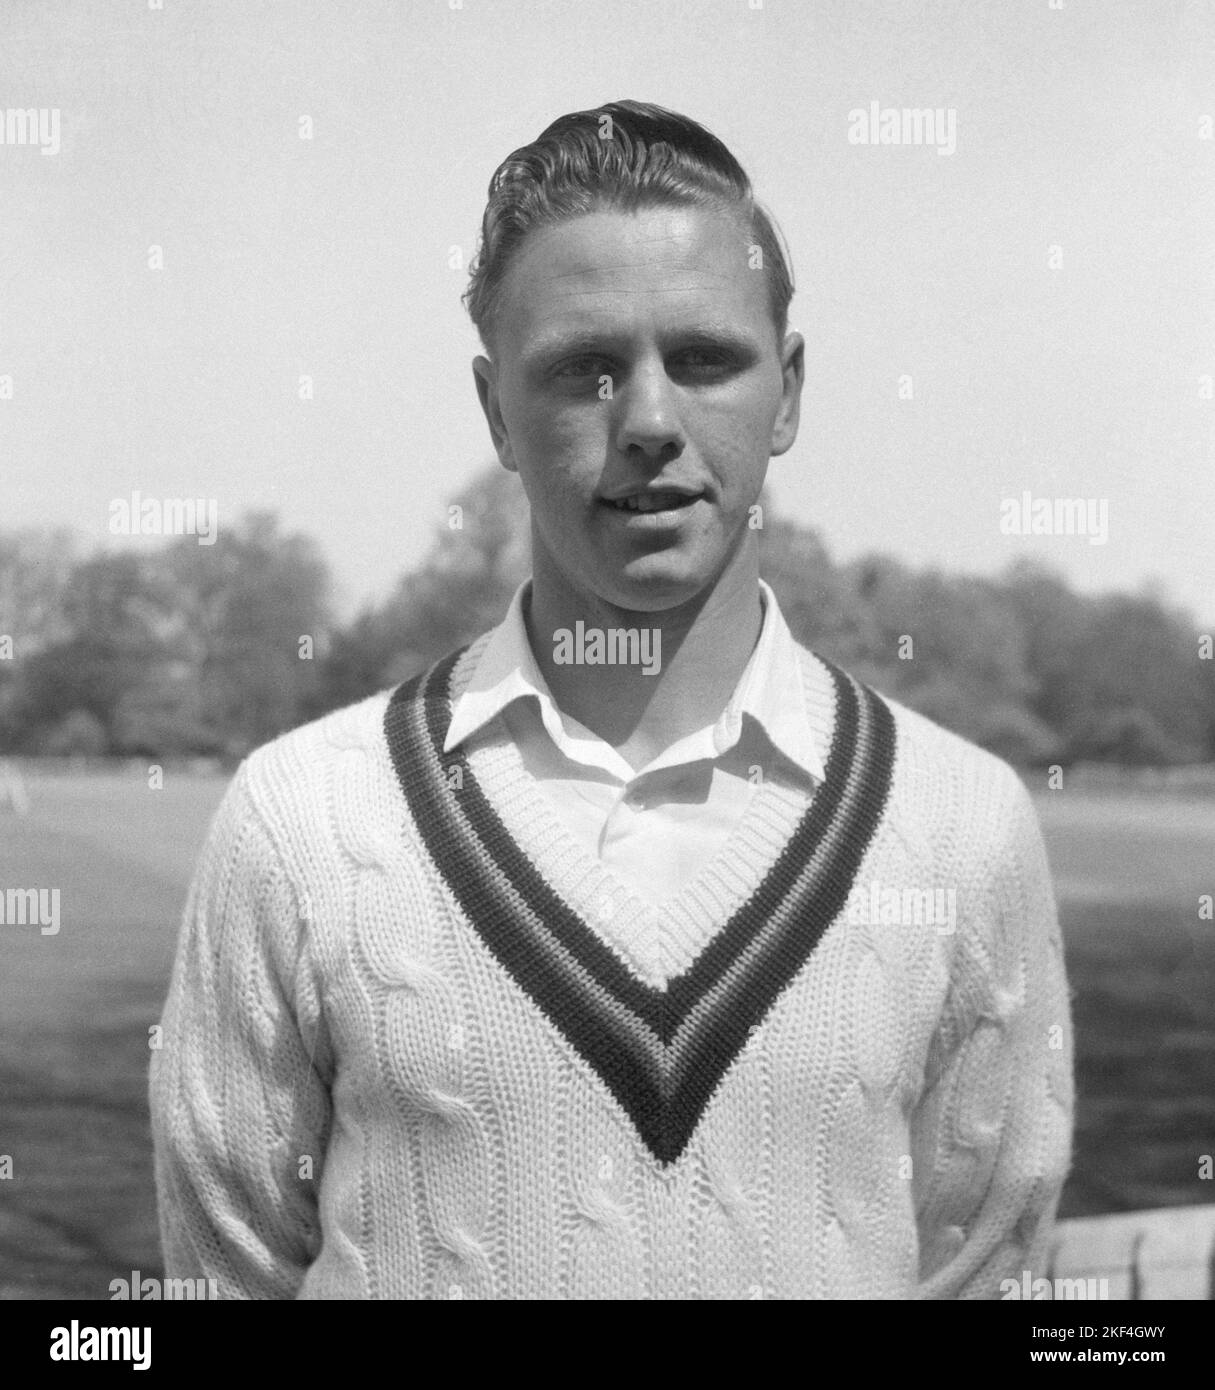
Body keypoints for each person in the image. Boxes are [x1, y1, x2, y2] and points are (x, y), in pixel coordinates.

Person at [149, 100, 1074, 1299]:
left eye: (703, 359)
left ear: (787, 392)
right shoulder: (301, 821)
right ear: (497, 413)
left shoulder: (963, 824)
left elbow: (988, 1274)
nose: (647, 422)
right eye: (585, 370)